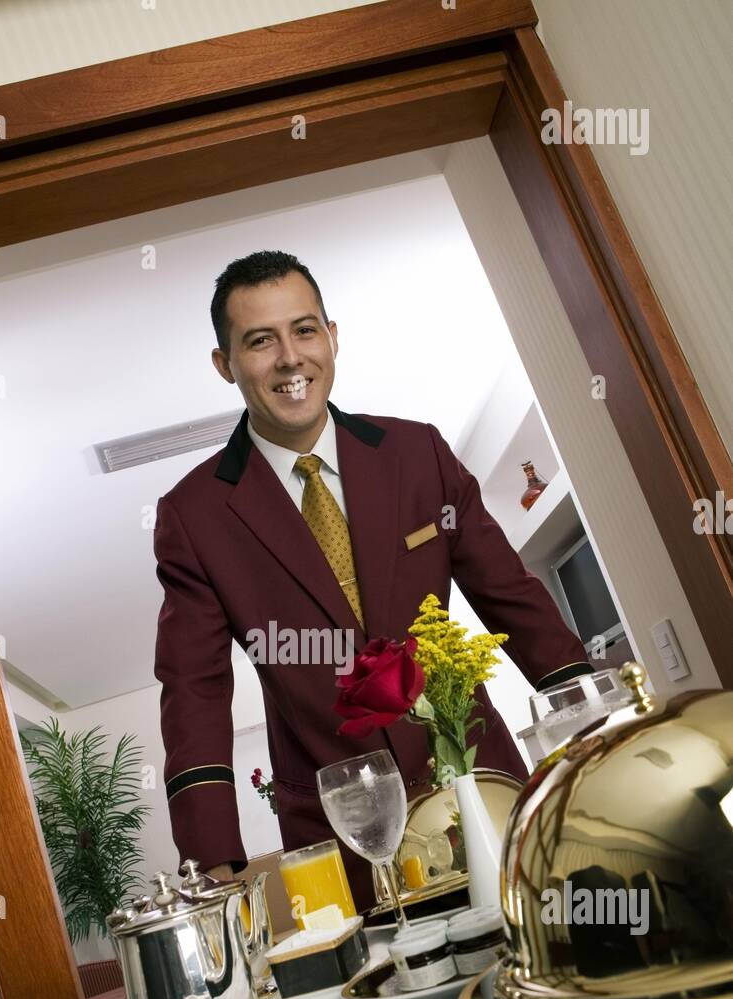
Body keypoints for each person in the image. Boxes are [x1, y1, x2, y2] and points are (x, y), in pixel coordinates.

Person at [153, 250, 592, 911]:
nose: (290, 359)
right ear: (226, 365)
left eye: (304, 330)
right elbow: (193, 688)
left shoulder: (418, 455)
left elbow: (513, 596)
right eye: (259, 341)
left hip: (479, 782)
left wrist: (588, 718)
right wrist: (211, 864)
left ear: (333, 336)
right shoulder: (193, 515)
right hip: (343, 827)